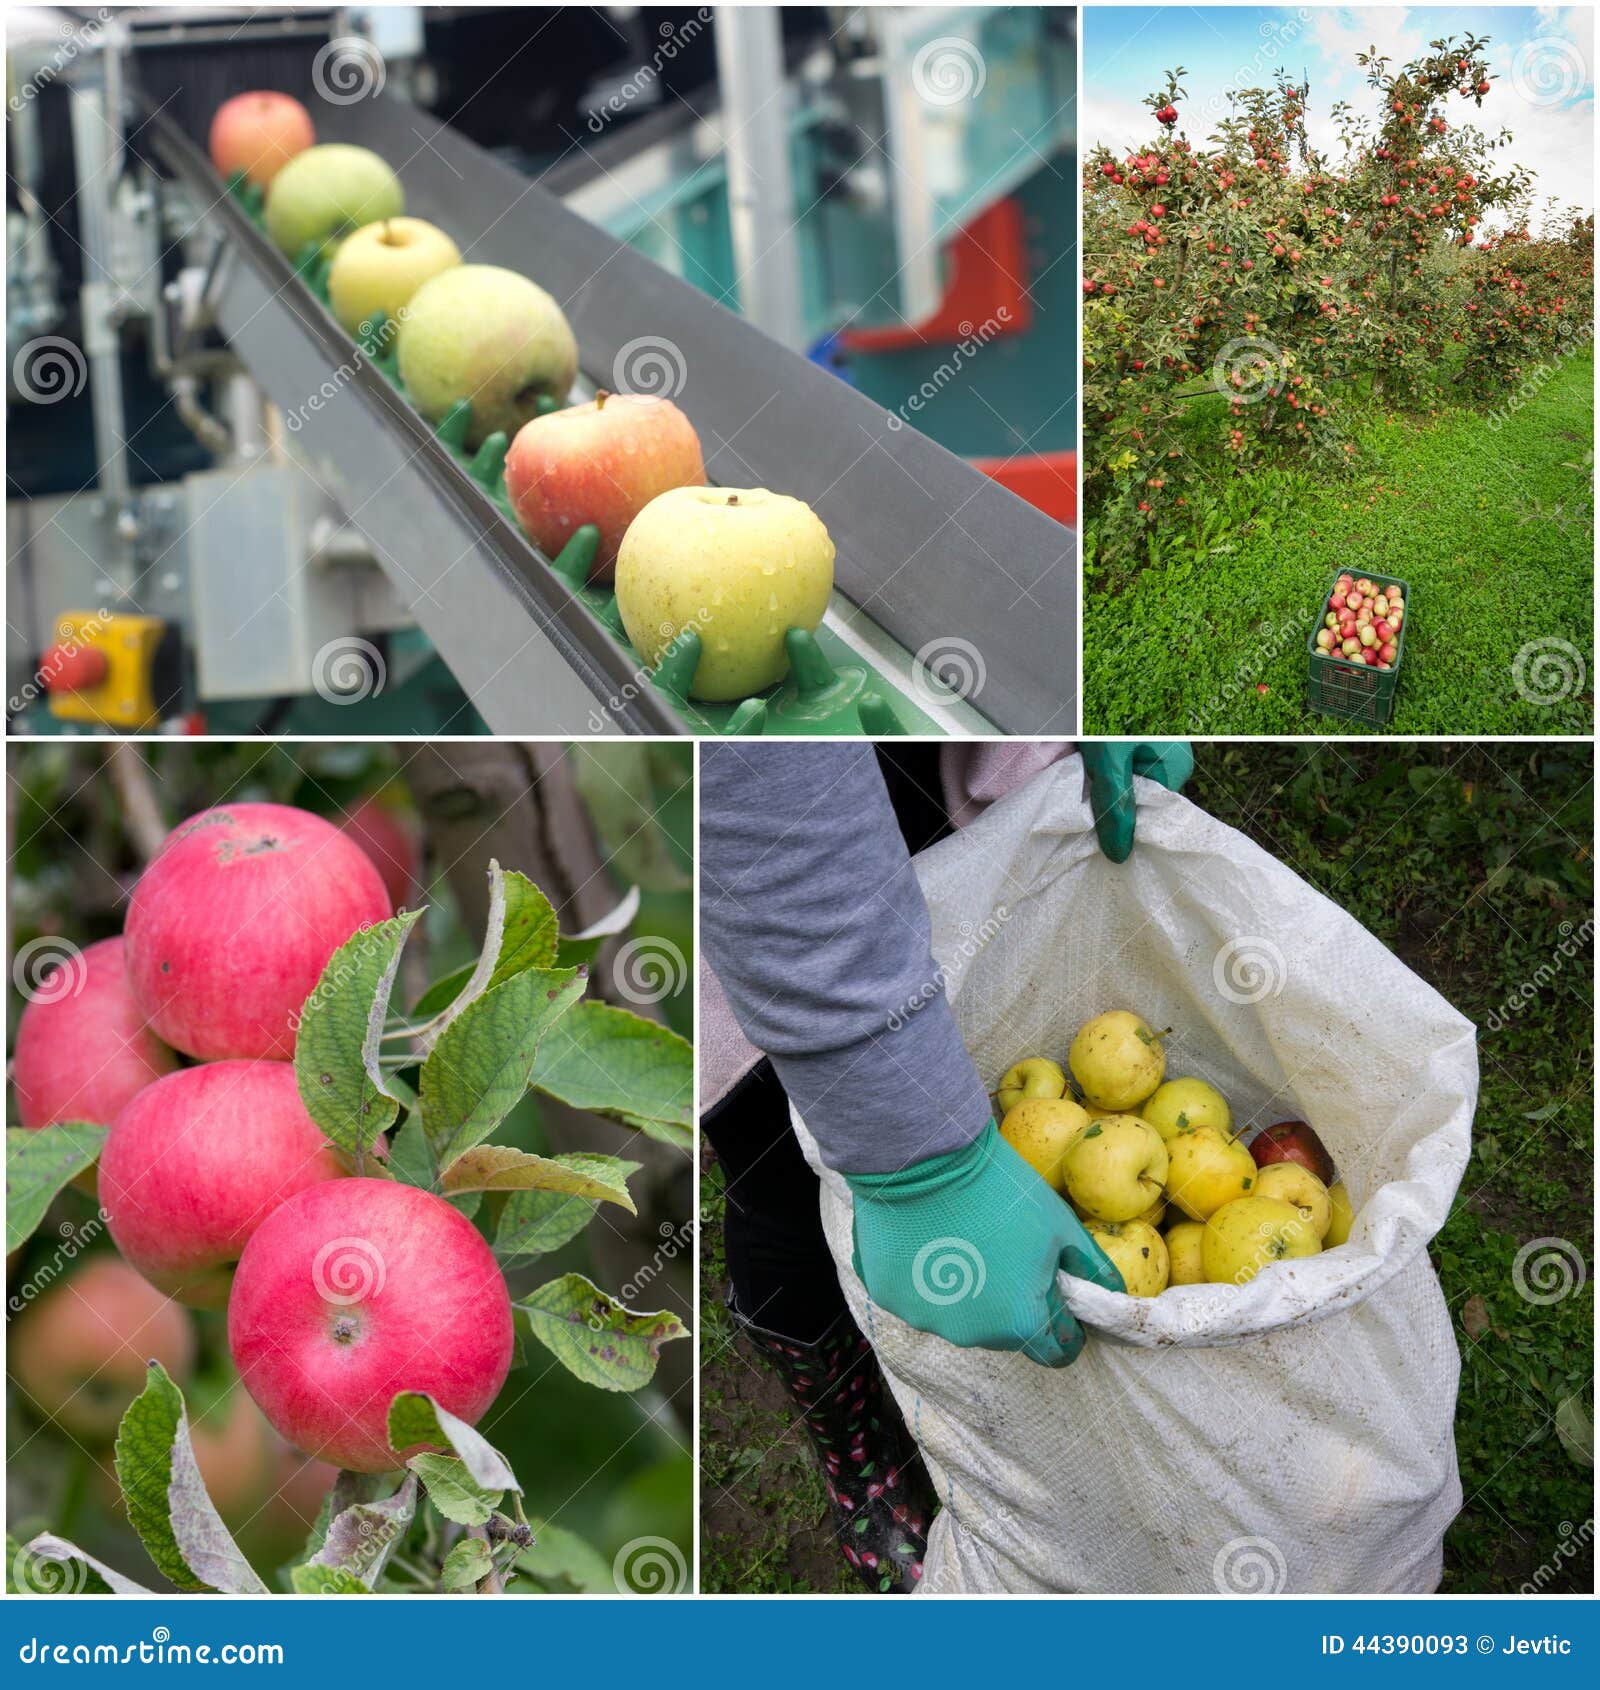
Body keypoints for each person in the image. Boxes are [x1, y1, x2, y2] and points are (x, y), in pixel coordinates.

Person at [699, 740, 1193, 1591]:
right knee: (776, 1173)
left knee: (954, 981)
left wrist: (1073, 711)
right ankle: (851, 1437)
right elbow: (744, 772)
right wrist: (920, 1166)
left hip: (917, 747)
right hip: (734, 855)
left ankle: (997, 1370)